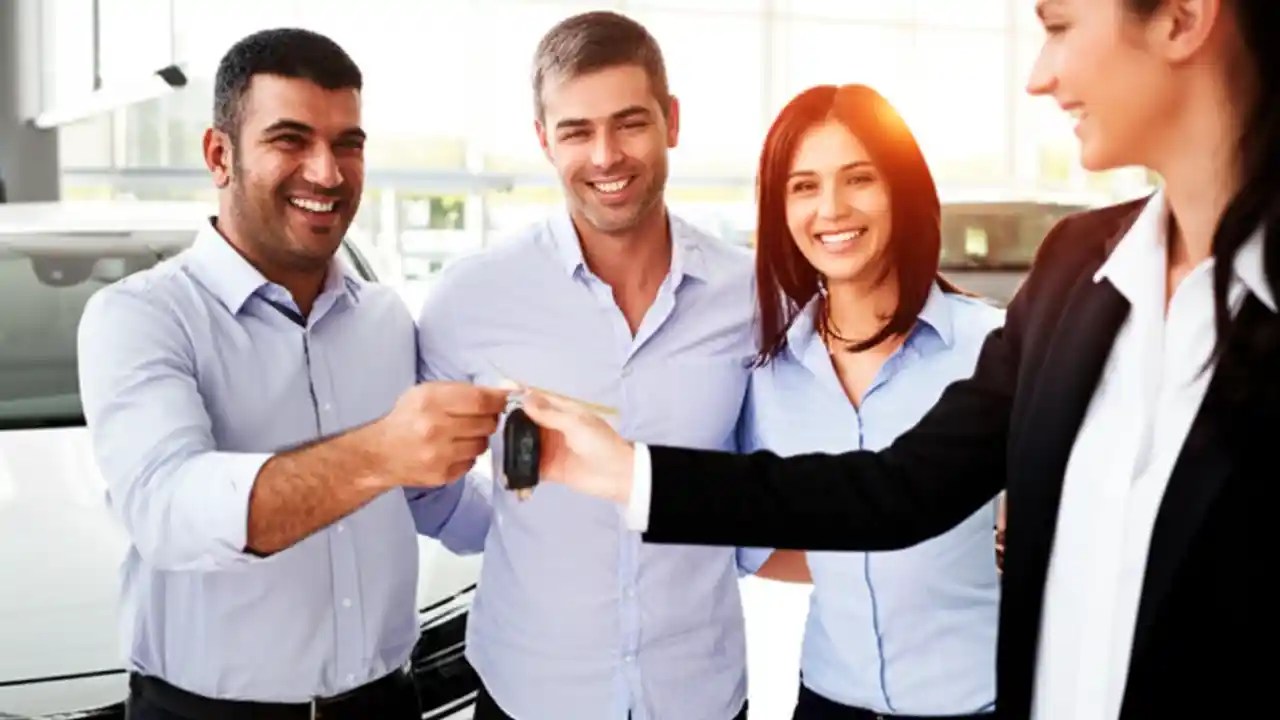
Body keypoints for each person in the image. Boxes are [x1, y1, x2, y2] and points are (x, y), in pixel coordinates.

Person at [516, 0, 1277, 718]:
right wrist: (626, 471)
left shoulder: (995, 325)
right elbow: (896, 488)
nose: (1039, 74)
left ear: (1182, 18)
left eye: (1059, 25)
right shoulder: (1076, 274)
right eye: (803, 187)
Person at [77, 28, 507, 719]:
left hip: (386, 705)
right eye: (289, 139)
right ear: (220, 155)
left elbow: (432, 500)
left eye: (348, 144)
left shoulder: (385, 319)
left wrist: (577, 512)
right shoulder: (140, 318)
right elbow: (169, 511)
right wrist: (382, 450)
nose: (328, 173)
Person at [414, 10, 755, 720]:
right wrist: (507, 528)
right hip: (532, 691)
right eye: (575, 131)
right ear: (544, 140)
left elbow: (780, 473)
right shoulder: (473, 298)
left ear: (673, 122)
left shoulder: (749, 295)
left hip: (698, 693)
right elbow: (420, 481)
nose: (605, 156)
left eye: (630, 123)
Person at [735, 83, 1004, 720]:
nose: (831, 209)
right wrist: (862, 559)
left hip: (981, 703)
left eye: (859, 179)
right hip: (829, 702)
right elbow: (755, 541)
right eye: (803, 186)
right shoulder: (767, 371)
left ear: (901, 192)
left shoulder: (990, 347)